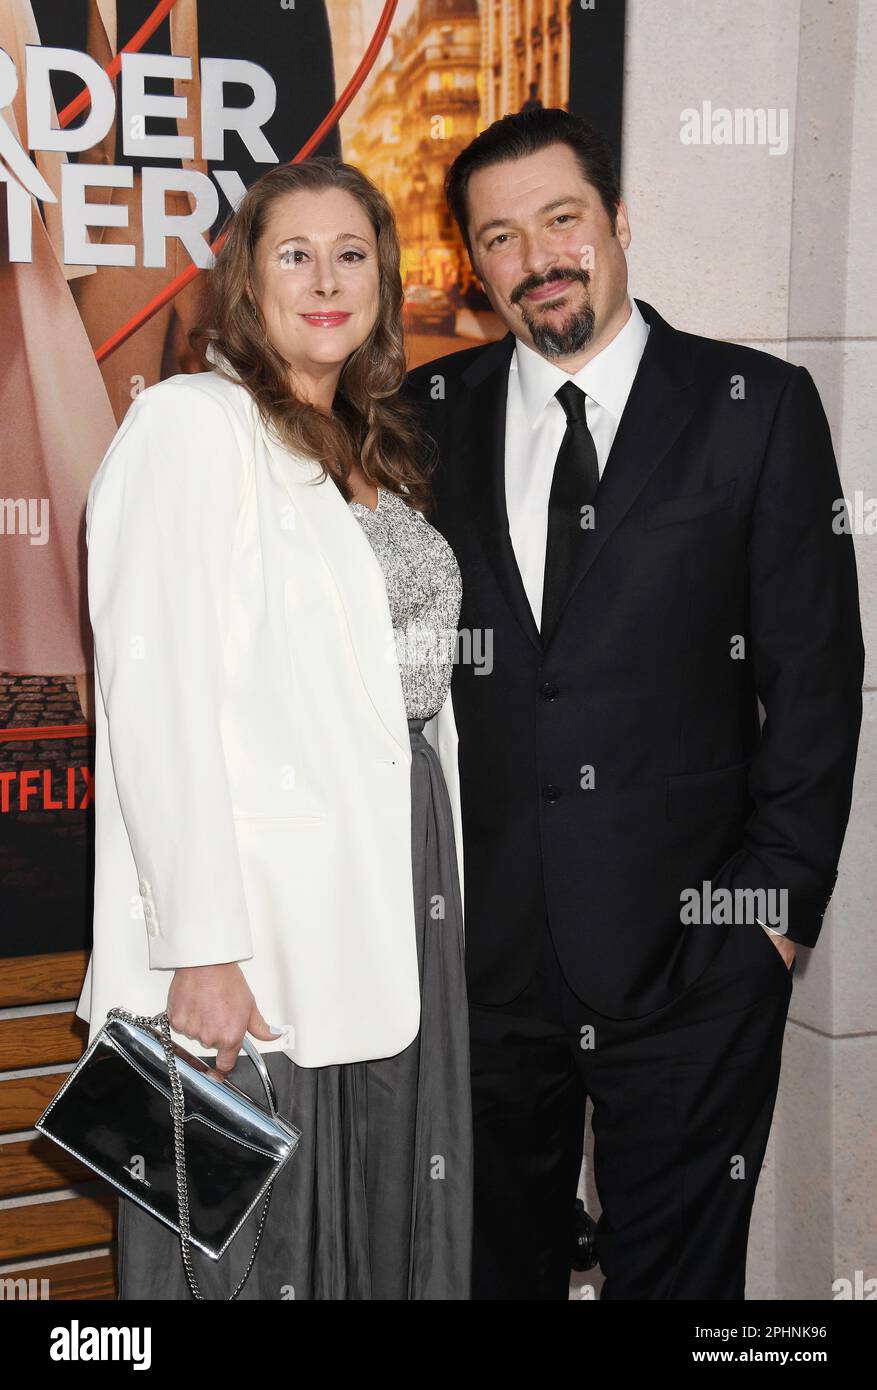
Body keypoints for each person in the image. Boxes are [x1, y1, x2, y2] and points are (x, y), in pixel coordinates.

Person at [401, 107, 864, 1299]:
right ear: (473, 261)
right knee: (491, 1272)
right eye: (500, 238)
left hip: (694, 962)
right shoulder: (423, 413)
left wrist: (766, 926)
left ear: (615, 220)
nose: (537, 258)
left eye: (561, 220)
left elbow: (812, 686)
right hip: (484, 967)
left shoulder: (755, 405)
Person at [75, 157, 472, 1300]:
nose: (326, 279)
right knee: (243, 1250)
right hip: (257, 929)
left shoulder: (368, 447)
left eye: (353, 254)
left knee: (374, 1221)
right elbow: (153, 697)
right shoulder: (195, 426)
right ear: (245, 279)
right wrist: (197, 945)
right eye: (292, 253)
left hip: (392, 892)